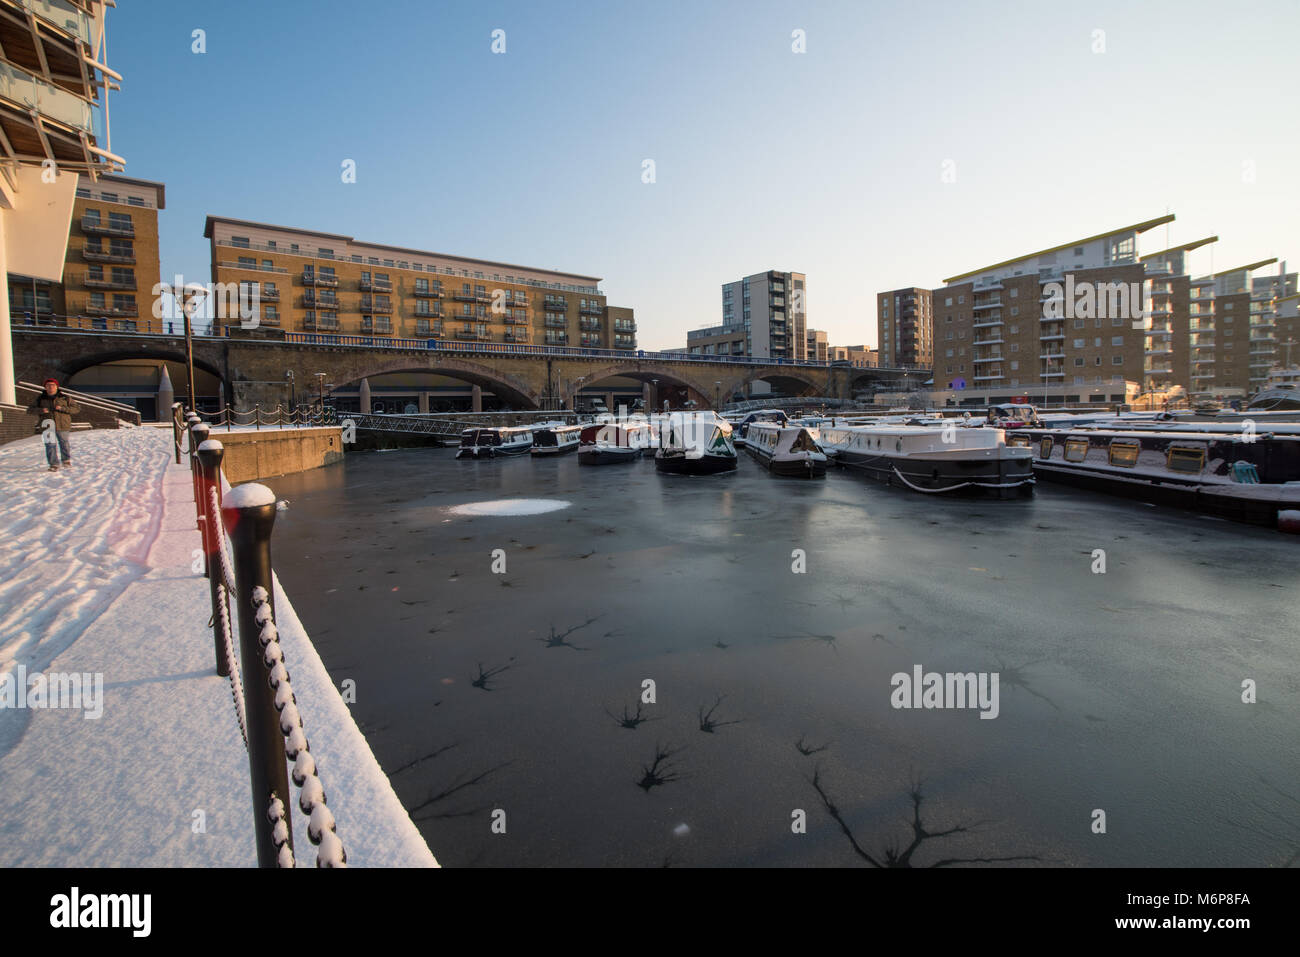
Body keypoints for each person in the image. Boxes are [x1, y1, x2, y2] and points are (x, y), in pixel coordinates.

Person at [27, 377, 80, 471]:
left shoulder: (65, 398)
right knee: (49, 445)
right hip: (47, 425)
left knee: (64, 443)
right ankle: (53, 464)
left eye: (53, 385)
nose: (50, 387)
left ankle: (66, 460)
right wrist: (41, 410)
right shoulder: (40, 398)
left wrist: (63, 409)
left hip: (63, 424)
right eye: (48, 385)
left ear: (57, 387)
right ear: (45, 387)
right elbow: (29, 410)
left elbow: (76, 409)